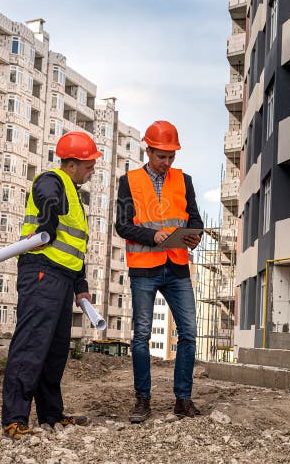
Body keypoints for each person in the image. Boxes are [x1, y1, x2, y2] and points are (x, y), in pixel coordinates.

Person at [1, 131, 99, 440]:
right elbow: (46, 198)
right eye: (88, 165)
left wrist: (81, 285)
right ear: (71, 164)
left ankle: (51, 415)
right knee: (31, 345)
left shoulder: (74, 194)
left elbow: (75, 248)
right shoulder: (52, 180)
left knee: (54, 351)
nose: (92, 170)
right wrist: (46, 224)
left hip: (64, 279)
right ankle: (14, 419)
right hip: (42, 273)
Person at [114, 120, 204, 423]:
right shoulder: (129, 181)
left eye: (171, 157)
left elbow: (194, 218)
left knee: (189, 334)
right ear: (148, 150)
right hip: (144, 268)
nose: (166, 163)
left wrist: (195, 235)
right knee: (141, 336)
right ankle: (142, 400)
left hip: (177, 266)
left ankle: (183, 399)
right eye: (161, 156)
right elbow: (122, 226)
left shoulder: (184, 180)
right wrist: (152, 237)